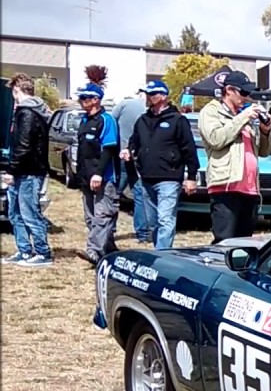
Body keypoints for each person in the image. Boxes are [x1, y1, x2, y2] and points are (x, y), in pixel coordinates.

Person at [122, 81, 199, 250]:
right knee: (153, 221)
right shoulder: (142, 120)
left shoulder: (178, 120)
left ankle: (163, 253)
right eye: (147, 94)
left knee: (165, 219)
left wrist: (192, 177)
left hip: (169, 178)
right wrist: (128, 150)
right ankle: (159, 251)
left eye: (152, 94)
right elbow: (134, 142)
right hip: (147, 177)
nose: (148, 97)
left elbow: (189, 149)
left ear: (163, 96)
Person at [197, 71, 271, 244]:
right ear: (229, 90)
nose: (247, 97)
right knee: (225, 243)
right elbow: (216, 139)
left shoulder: (243, 116)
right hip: (226, 186)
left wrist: (265, 131)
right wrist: (243, 117)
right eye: (243, 92)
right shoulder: (211, 111)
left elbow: (263, 152)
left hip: (250, 189)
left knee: (243, 244)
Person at [3, 74, 53, 267]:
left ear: (17, 90)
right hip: (23, 170)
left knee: (29, 213)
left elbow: (23, 146)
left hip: (29, 171)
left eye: (13, 93)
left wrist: (10, 170)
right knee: (15, 213)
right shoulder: (28, 111)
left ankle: (42, 252)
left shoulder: (27, 112)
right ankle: (24, 250)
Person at [72, 82, 121, 264]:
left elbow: (108, 149)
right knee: (91, 217)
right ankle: (109, 250)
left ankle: (94, 251)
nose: (80, 100)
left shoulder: (107, 120)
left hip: (104, 177)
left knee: (103, 215)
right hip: (86, 176)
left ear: (95, 100)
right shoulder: (85, 120)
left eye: (84, 98)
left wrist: (99, 173)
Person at [113, 95, 152, 244]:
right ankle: (143, 233)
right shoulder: (147, 110)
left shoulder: (124, 104)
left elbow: (111, 122)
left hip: (122, 153)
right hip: (138, 156)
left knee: (114, 193)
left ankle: (109, 229)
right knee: (140, 194)